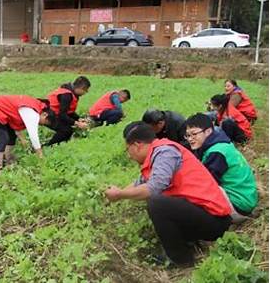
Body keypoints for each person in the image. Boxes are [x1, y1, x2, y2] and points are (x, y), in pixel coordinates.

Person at [104, 121, 231, 267]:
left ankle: (181, 259)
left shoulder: (165, 152)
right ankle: (189, 243)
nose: (129, 156)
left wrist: (120, 195)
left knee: (157, 203)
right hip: (202, 215)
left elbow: (153, 188)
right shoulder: (155, 155)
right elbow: (138, 183)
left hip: (216, 221)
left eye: (128, 150)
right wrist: (116, 195)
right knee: (159, 201)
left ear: (137, 145)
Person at [185, 113, 258, 222]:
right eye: (188, 135)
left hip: (238, 206)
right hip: (246, 199)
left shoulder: (216, 152)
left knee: (196, 190)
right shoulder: (221, 144)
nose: (190, 139)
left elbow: (206, 185)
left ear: (208, 131)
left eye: (194, 134)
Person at [0, 95, 55, 175]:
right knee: (3, 138)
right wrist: (40, 155)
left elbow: (15, 123)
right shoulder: (32, 113)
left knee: (11, 137)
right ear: (45, 115)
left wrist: (22, 138)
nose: (41, 124)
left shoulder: (34, 108)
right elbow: (33, 136)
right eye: (44, 123)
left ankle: (10, 163)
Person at [44, 76, 91, 146]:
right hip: (47, 114)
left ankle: (60, 144)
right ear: (81, 88)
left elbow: (69, 111)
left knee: (68, 127)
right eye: (85, 90)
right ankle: (48, 146)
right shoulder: (67, 95)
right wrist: (77, 123)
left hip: (54, 113)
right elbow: (62, 115)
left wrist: (79, 119)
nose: (85, 93)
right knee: (66, 130)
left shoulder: (70, 91)